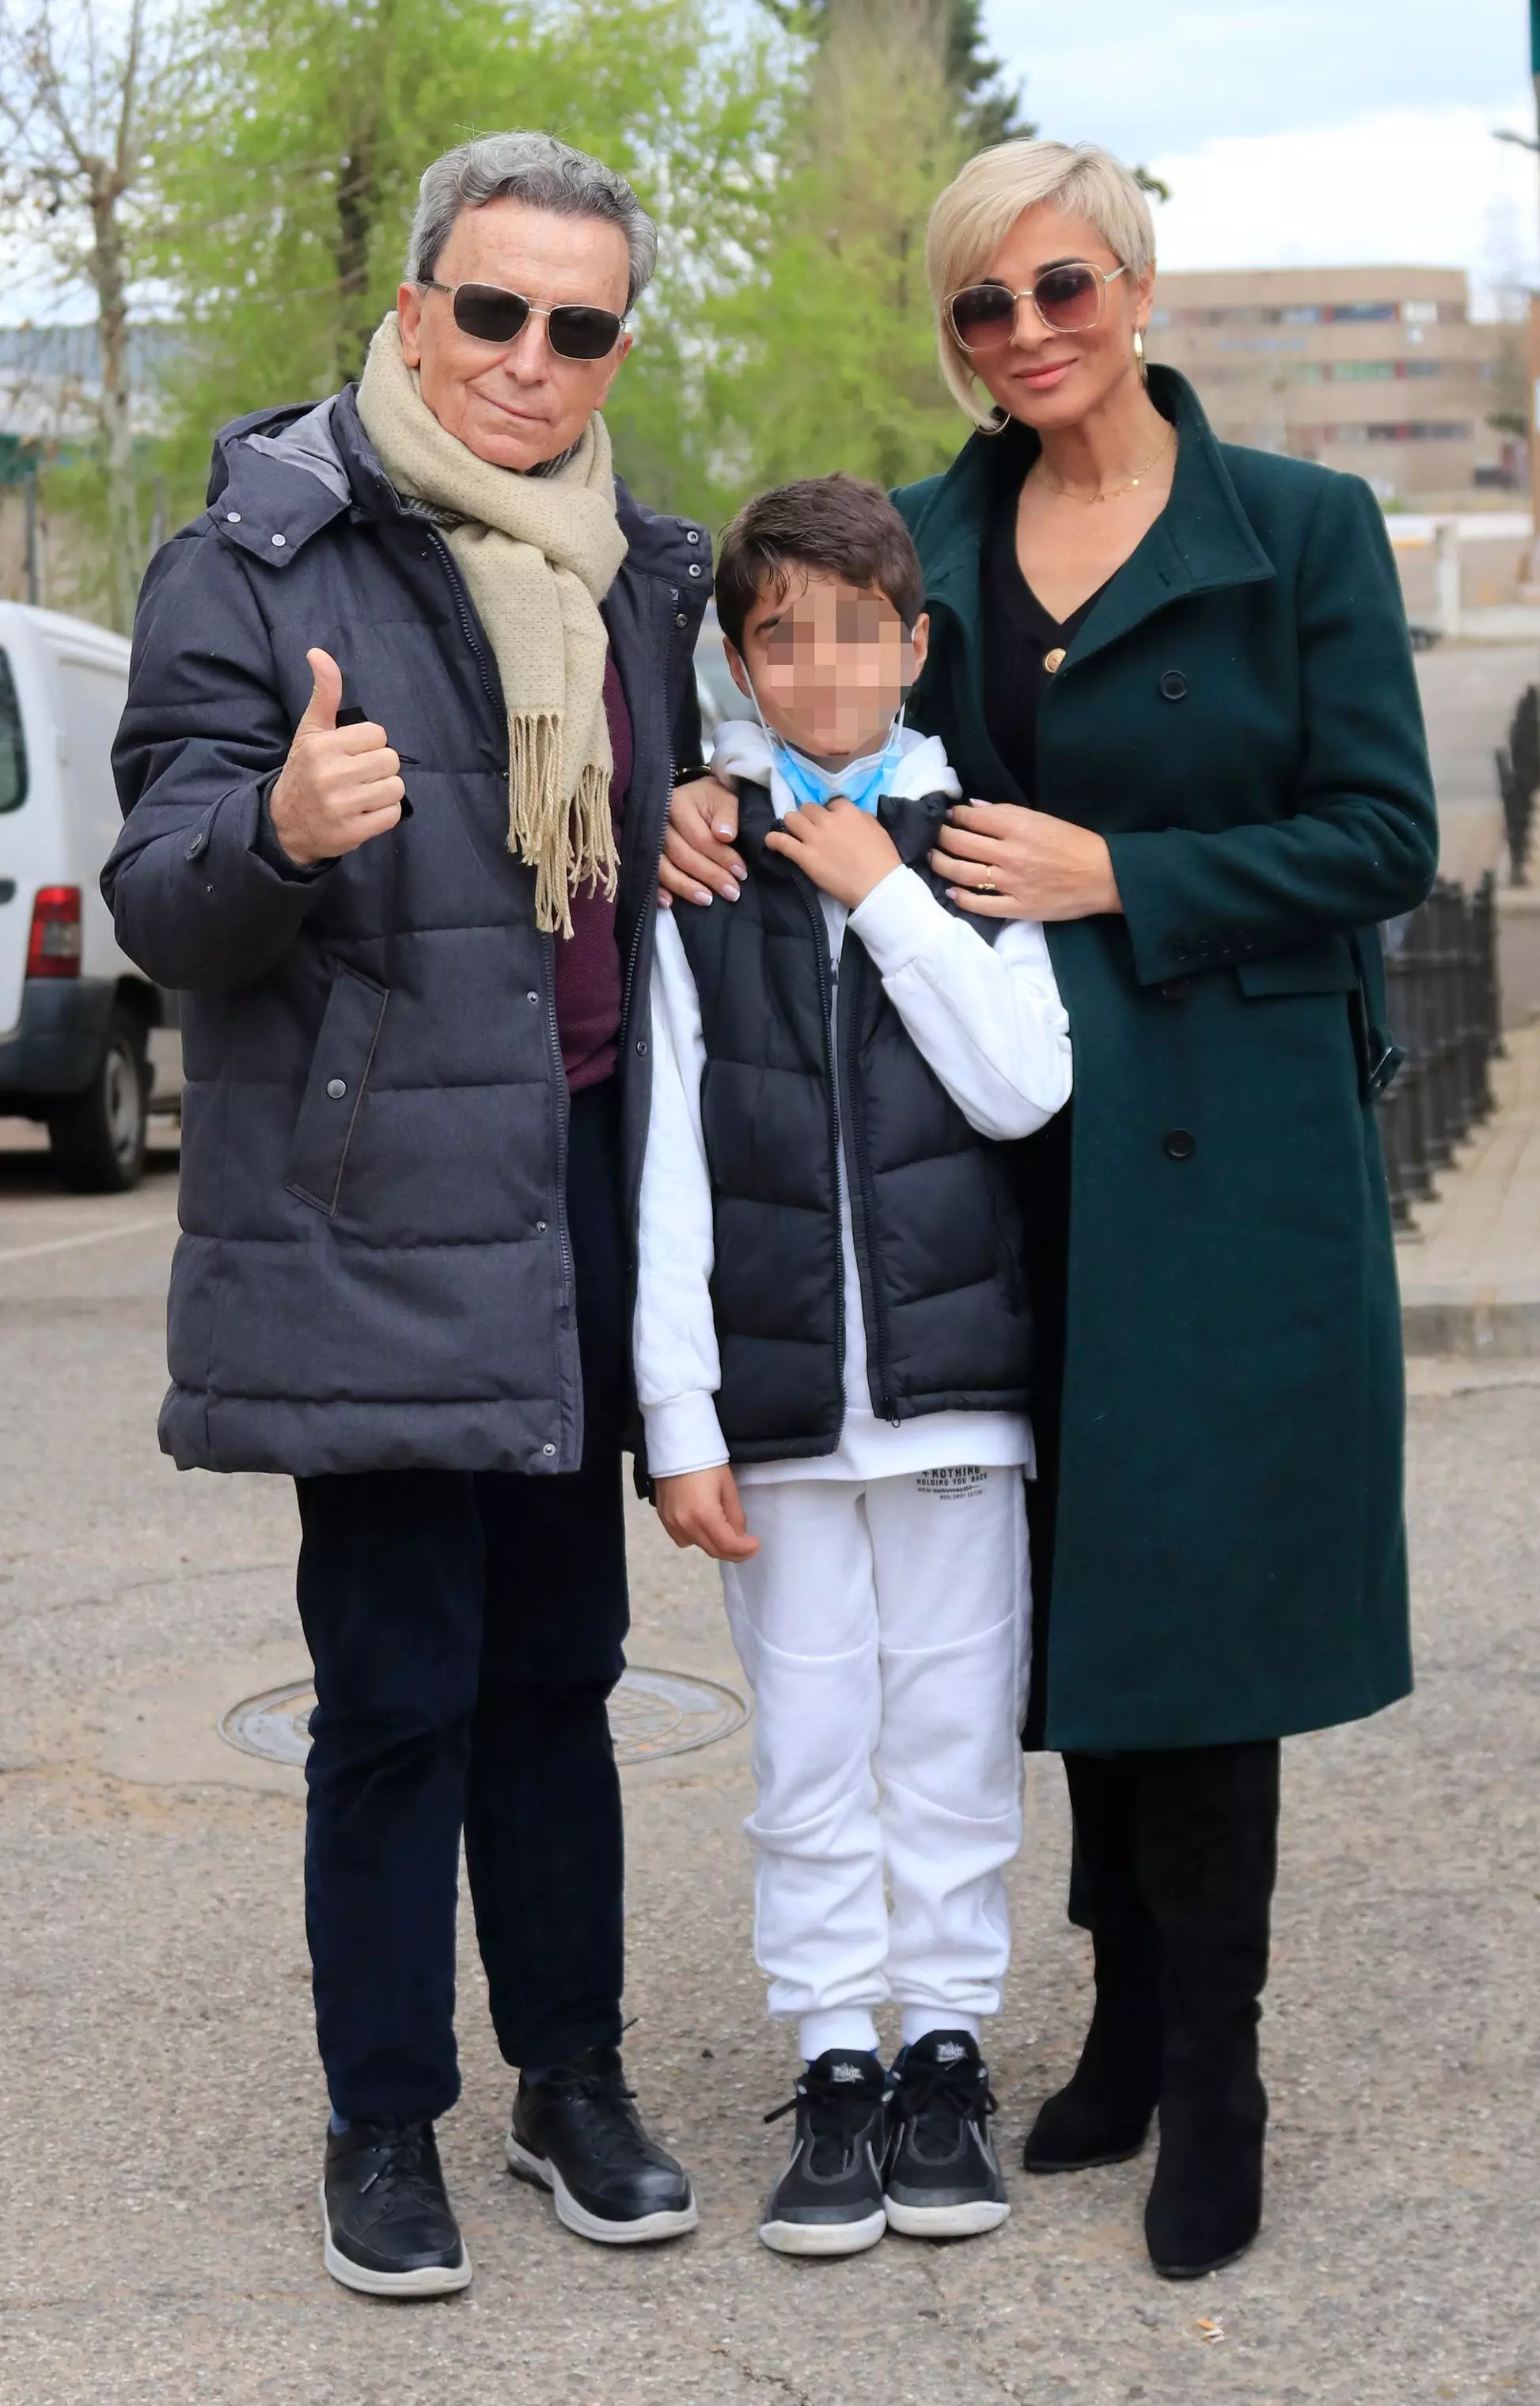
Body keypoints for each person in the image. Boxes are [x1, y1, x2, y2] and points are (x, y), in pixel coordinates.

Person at [662, 141, 1438, 2281]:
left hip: (1238, 1145)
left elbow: (1384, 827)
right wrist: (696, 810)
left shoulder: (1302, 530)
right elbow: (804, 710)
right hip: (1010, 1152)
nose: (1025, 335)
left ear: (1140, 281)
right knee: (1072, 1599)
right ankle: (1110, 2023)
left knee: (1209, 1605)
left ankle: (1224, 2060)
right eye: (980, 307)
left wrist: (1131, 875)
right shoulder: (926, 541)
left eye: (1060, 286)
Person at [104, 132, 710, 2298]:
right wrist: (272, 826)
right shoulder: (255, 558)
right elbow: (168, 908)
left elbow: (645, 850)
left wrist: (705, 810)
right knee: (396, 1691)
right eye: (493, 310)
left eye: (580, 325)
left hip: (573, 1185)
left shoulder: (645, 571)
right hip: (374, 1215)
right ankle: (385, 2125)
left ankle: (572, 2077)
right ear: (410, 308)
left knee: (567, 1670)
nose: (531, 360)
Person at [639, 475, 1072, 2256]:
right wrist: (681, 1413)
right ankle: (832, 2057)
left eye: (856, 630)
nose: (820, 668)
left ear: (915, 641)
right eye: (776, 635)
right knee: (810, 1740)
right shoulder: (702, 857)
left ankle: (945, 2047)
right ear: (739, 660)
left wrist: (887, 893)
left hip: (957, 1390)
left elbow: (1023, 1085)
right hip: (784, 1406)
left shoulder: (971, 843)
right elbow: (662, 1143)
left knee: (952, 1738)